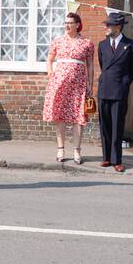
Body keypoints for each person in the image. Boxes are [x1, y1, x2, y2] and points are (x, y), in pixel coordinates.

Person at [41, 11, 94, 164]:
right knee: (59, 116)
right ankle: (61, 149)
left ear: (77, 25)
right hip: (59, 84)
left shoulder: (87, 43)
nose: (67, 25)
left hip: (78, 85)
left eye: (70, 23)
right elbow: (50, 59)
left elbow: (90, 65)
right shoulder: (57, 41)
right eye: (65, 23)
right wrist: (50, 73)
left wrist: (90, 84)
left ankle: (77, 151)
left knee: (78, 117)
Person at [97, 10, 133, 172]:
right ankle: (106, 157)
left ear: (118, 27)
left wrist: (125, 82)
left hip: (119, 90)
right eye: (106, 24)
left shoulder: (131, 44)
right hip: (104, 89)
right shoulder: (102, 44)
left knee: (117, 126)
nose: (106, 27)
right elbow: (103, 65)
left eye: (109, 24)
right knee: (104, 125)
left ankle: (117, 160)